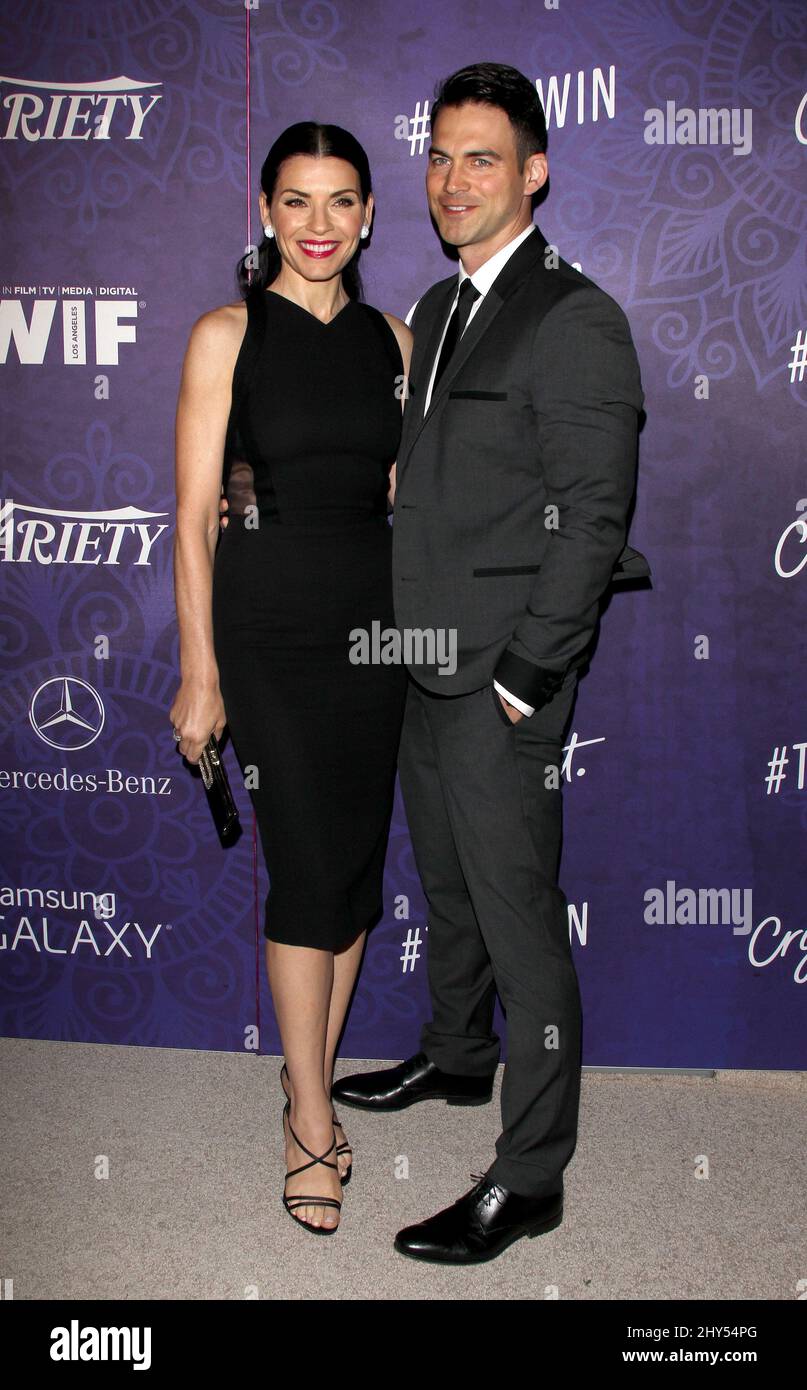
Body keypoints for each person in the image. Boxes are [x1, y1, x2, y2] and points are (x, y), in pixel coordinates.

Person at [332, 63, 651, 1265]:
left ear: (535, 172)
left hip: (502, 672)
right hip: (424, 652)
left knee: (520, 921)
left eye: (482, 158)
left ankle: (531, 1176)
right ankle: (459, 1056)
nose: (453, 181)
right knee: (451, 885)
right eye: (440, 157)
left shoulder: (575, 318)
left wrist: (525, 675)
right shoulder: (442, 296)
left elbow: (592, 516)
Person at [170, 122, 412, 1235]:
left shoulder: (396, 343)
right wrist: (199, 670)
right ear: (266, 211)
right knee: (307, 869)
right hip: (265, 634)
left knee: (353, 875)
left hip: (377, 631)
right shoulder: (226, 334)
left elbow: (412, 500)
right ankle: (310, 1117)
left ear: (368, 215)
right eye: (299, 202)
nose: (320, 225)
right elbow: (191, 518)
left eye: (342, 202)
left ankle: (302, 1078)